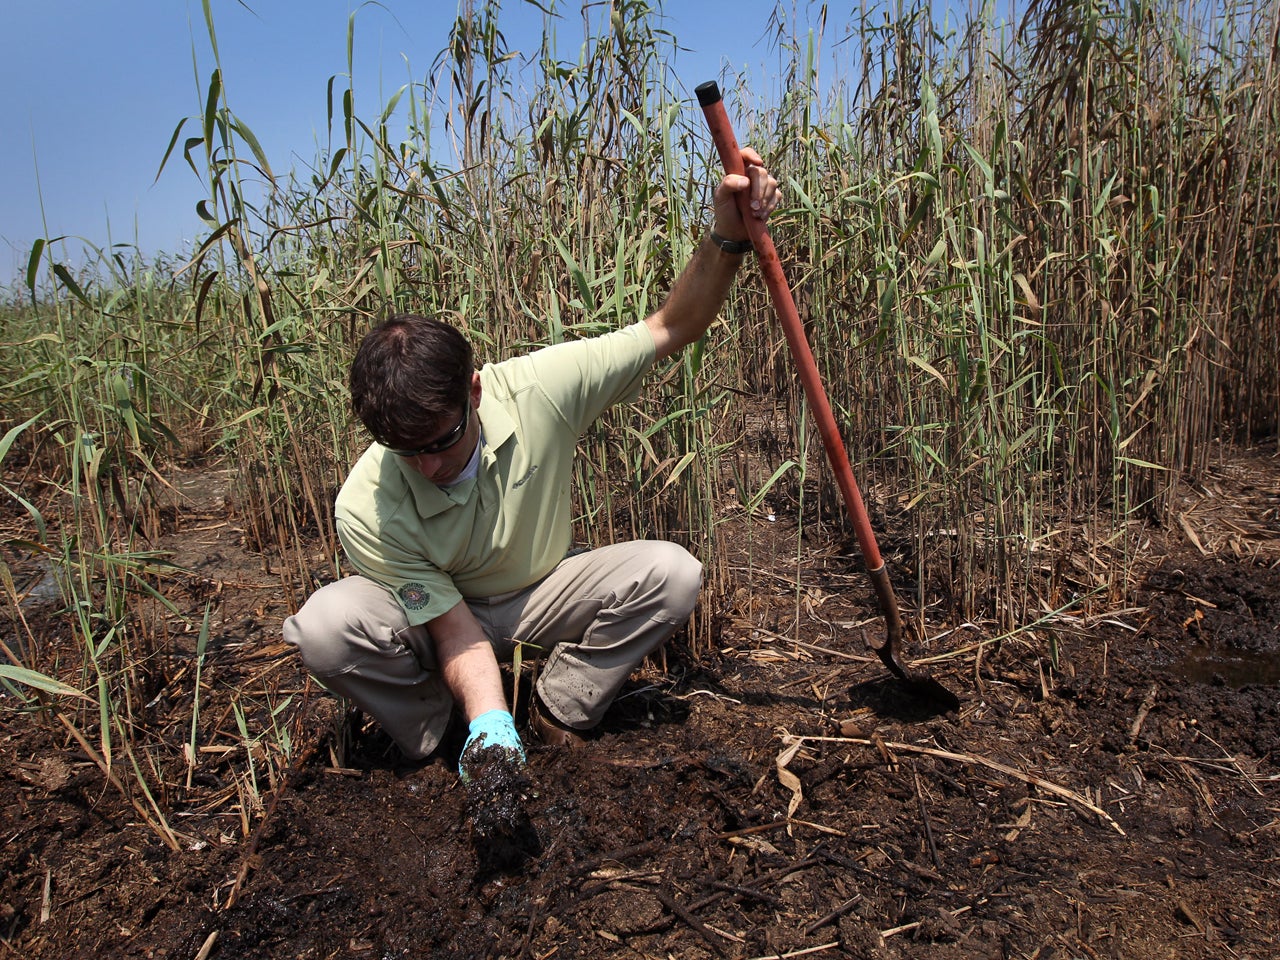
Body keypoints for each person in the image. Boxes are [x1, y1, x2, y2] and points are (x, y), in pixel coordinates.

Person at [284, 147, 780, 782]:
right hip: (438, 622)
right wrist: (490, 724)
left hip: (542, 594)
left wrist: (727, 236)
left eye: (441, 441)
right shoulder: (365, 505)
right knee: (324, 628)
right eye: (407, 452)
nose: (428, 467)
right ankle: (439, 729)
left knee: (673, 573)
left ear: (473, 390)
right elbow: (453, 628)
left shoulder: (541, 388)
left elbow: (672, 325)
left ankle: (559, 707)